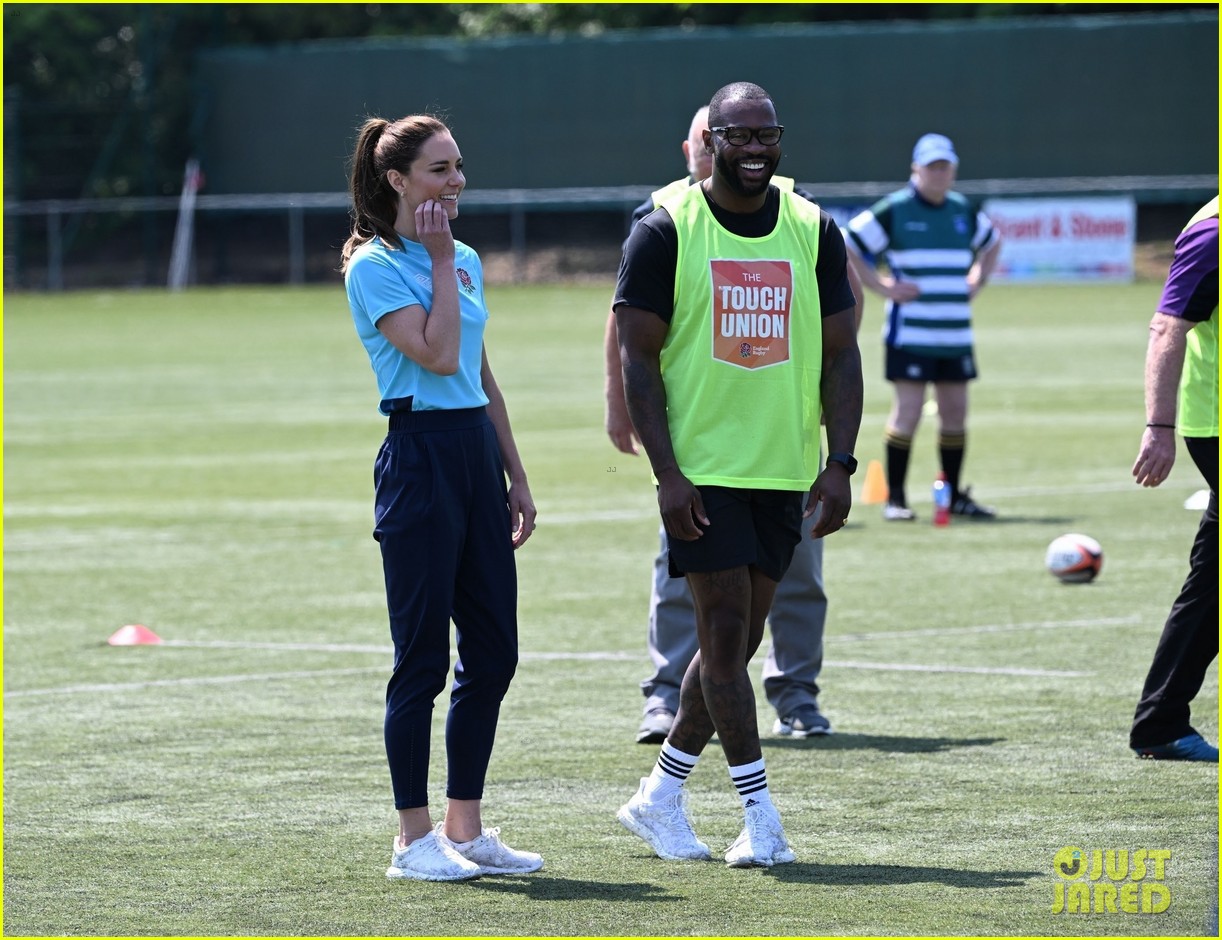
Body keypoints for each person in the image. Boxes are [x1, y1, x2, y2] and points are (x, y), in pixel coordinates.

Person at [612, 82, 862, 868]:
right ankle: (761, 818)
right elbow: (638, 362)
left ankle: (658, 796)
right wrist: (667, 474)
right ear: (708, 142)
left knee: (737, 646)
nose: (756, 149)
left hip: (782, 470)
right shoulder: (664, 230)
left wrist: (841, 461)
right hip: (704, 473)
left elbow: (842, 354)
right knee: (722, 639)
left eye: (768, 135)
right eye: (739, 136)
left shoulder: (813, 229)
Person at [341, 113, 544, 880]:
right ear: (397, 180)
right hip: (419, 458)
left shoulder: (461, 255)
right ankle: (412, 839)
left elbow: (479, 374)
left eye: (459, 166)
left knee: (494, 651)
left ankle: (466, 828)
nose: (456, 181)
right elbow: (436, 352)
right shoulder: (374, 265)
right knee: (421, 660)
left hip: (471, 457)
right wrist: (431, 259)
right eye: (438, 169)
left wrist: (515, 475)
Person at [844, 132, 1002, 522]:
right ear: (916, 169)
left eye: (944, 166)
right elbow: (847, 241)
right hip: (911, 333)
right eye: (931, 166)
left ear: (953, 171)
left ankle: (952, 496)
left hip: (955, 334)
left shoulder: (962, 209)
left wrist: (977, 279)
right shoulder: (896, 209)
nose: (938, 174)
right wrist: (882, 286)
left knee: (955, 413)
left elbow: (993, 242)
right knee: (908, 412)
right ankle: (895, 499)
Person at [1128, 195, 1218, 763]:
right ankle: (1159, 719)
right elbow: (1168, 327)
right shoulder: (1212, 234)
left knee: (1211, 585)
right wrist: (1157, 426)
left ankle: (1161, 719)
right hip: (1217, 425)